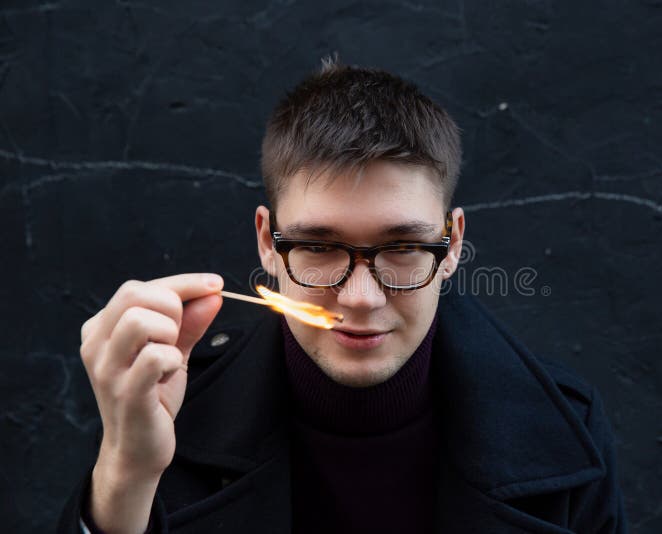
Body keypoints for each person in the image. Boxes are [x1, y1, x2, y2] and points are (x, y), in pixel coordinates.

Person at [59, 58, 627, 533]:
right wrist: (126, 473)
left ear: (452, 245)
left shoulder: (564, 428)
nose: (360, 298)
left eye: (403, 247)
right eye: (318, 246)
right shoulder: (167, 409)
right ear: (267, 243)